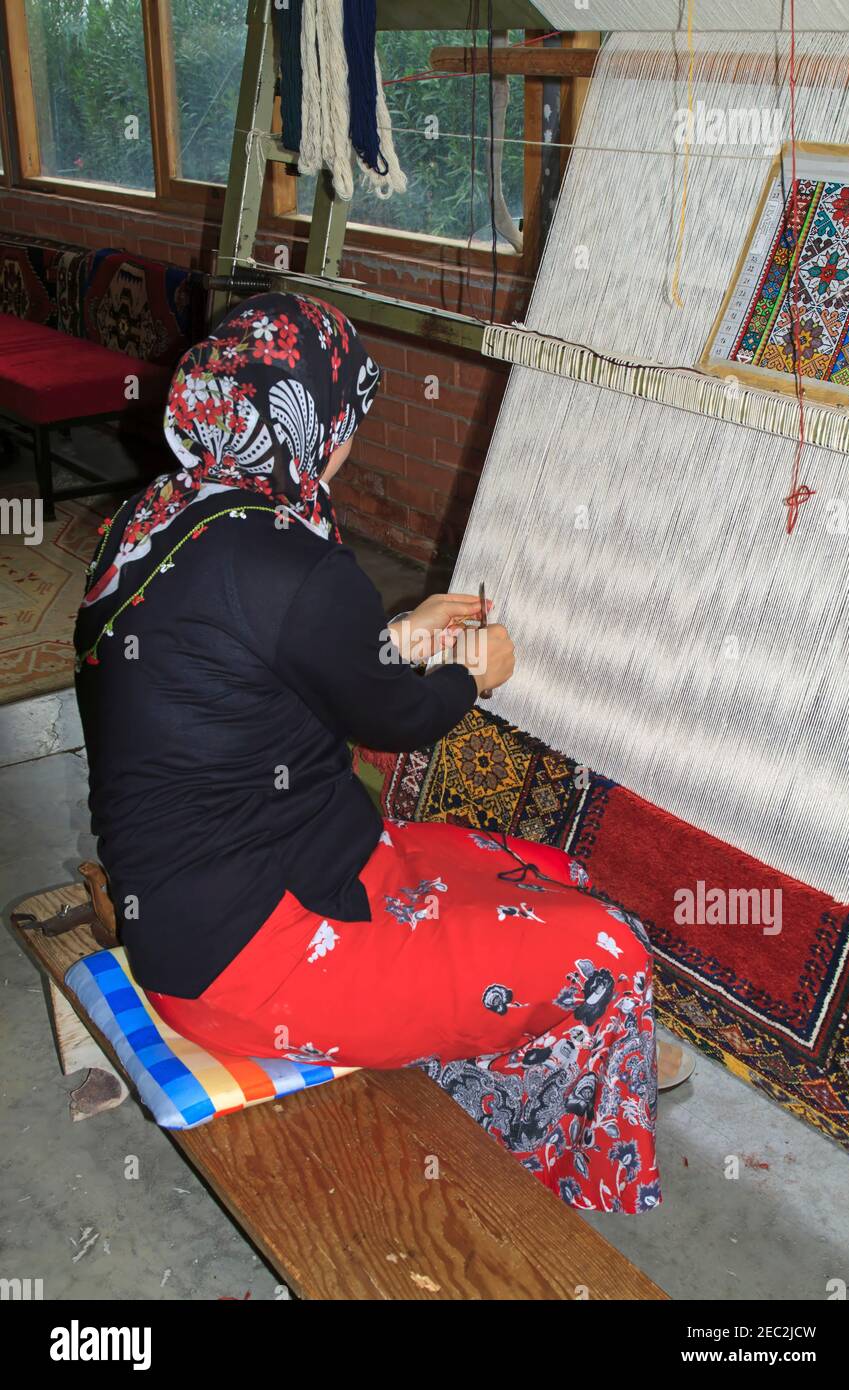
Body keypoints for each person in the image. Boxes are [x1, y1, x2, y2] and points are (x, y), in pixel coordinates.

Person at [74, 293, 660, 1215]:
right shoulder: (294, 561)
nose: (351, 440)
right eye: (349, 415)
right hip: (249, 956)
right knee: (607, 952)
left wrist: (401, 633)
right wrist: (475, 674)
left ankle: (499, 1067)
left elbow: (276, 669)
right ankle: (530, 1191)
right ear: (315, 419)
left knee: (547, 870)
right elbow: (392, 716)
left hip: (227, 890)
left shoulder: (162, 512)